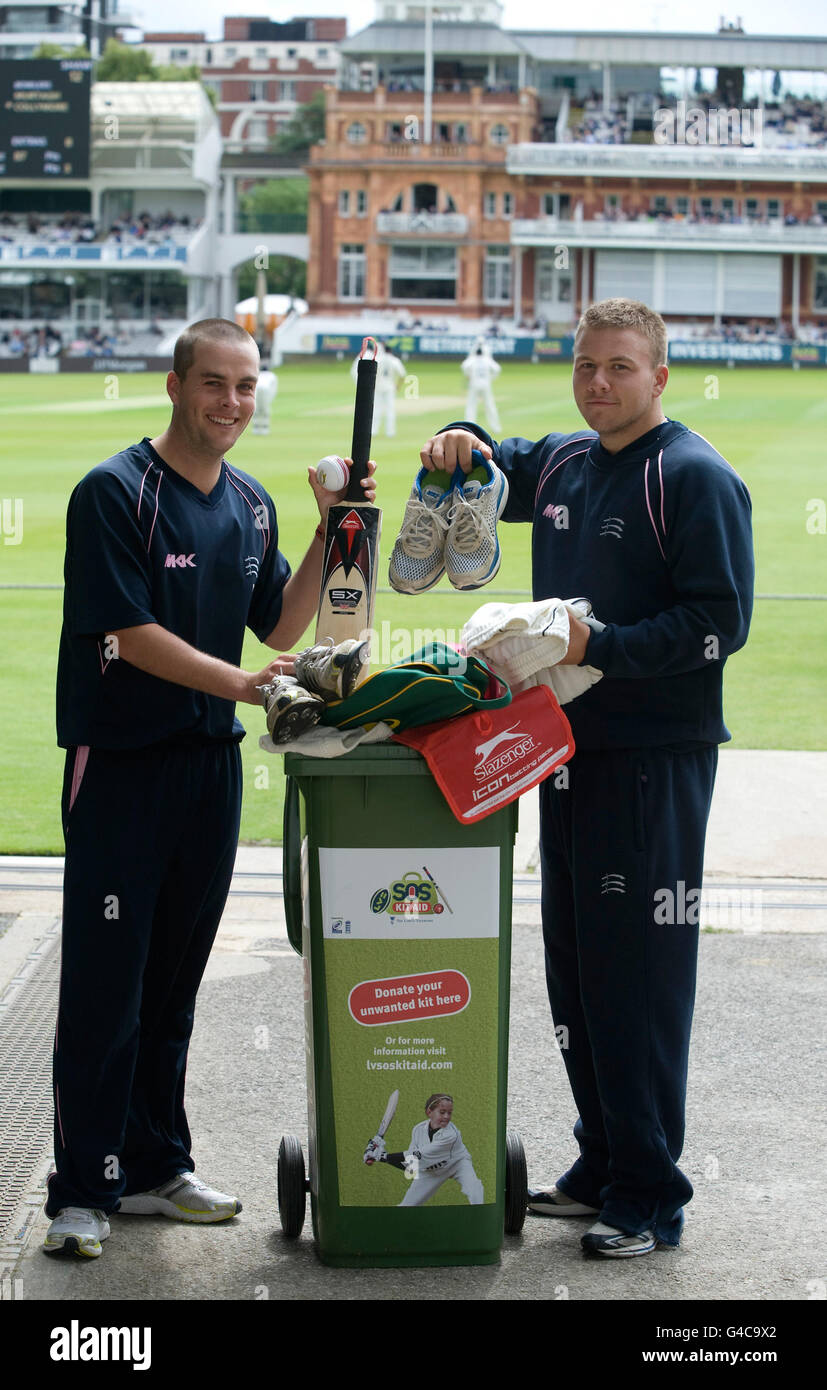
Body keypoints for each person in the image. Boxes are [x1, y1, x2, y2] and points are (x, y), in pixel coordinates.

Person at [420, 298, 754, 1258]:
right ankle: (601, 1158)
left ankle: (650, 1195)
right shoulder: (569, 460)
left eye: (618, 368)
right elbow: (500, 462)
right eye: (583, 367)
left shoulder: (691, 477)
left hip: (651, 763)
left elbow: (714, 626)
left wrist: (593, 641)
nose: (598, 383)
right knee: (573, 966)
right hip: (559, 754)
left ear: (659, 375)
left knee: (637, 978)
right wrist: (462, 440)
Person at [45, 318, 375, 1258]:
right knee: (107, 985)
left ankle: (154, 1165)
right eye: (215, 384)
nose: (231, 403)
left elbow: (278, 624)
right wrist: (246, 687)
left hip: (207, 769)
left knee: (174, 981)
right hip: (121, 766)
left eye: (246, 386)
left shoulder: (251, 503)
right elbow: (129, 632)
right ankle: (81, 1189)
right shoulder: (113, 493)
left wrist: (330, 527)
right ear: (175, 384)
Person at [364, 1094, 483, 1207]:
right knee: (405, 1207)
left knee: (474, 1189)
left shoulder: (451, 1135)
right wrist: (382, 1157)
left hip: (458, 1164)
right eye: (442, 1112)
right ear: (429, 1112)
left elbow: (416, 1155)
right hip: (430, 1171)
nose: (447, 1116)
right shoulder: (418, 1130)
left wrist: (381, 1156)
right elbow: (411, 1167)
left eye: (449, 1113)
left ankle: (479, 1219)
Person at [351, 341, 406, 437]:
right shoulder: (394, 360)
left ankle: (374, 430)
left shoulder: (377, 359)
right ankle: (390, 432)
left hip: (377, 387)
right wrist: (398, 386)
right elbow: (402, 374)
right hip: (390, 387)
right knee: (390, 410)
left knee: (376, 409)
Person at [461, 345, 501, 433]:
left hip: (474, 385)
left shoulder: (472, 360)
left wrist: (468, 375)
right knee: (490, 406)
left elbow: (464, 366)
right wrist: (491, 377)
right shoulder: (487, 360)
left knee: (471, 406)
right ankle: (496, 428)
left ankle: (469, 427)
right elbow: (497, 368)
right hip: (486, 385)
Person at [251, 356, 278, 435]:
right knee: (265, 410)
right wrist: (270, 399)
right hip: (264, 391)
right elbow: (273, 389)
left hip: (258, 391)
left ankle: (257, 428)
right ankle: (264, 428)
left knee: (257, 409)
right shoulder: (272, 375)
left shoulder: (258, 374)